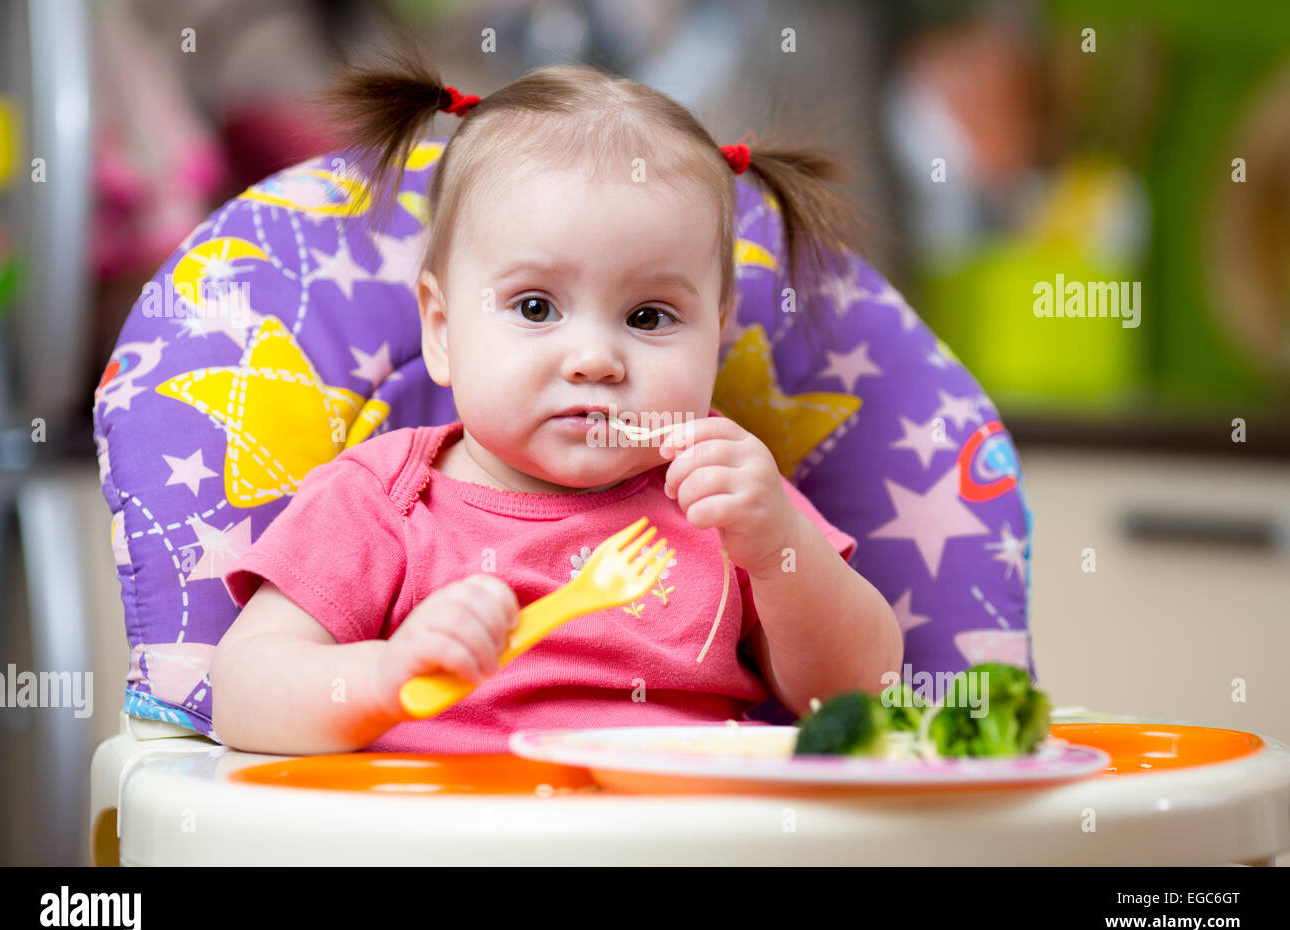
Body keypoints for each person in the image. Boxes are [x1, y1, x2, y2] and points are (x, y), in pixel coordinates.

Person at [210, 45, 902, 755]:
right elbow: (241, 694)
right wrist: (383, 676)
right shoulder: (383, 501)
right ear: (443, 330)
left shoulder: (727, 497)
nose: (595, 360)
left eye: (649, 317)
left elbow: (858, 696)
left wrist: (780, 545)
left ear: (716, 339)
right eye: (536, 307)